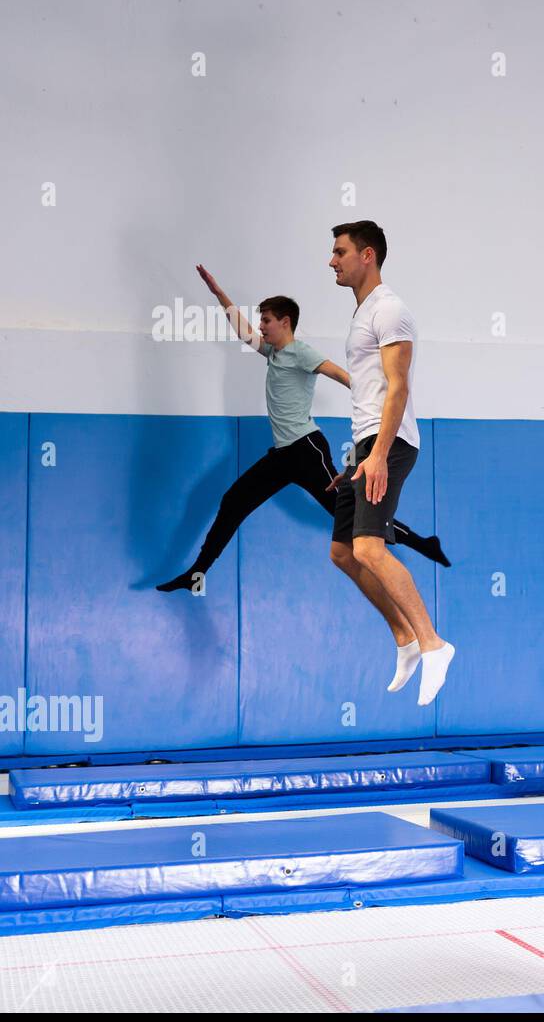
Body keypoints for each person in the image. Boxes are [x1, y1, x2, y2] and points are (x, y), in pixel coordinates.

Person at [158, 267, 449, 608]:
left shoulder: (301, 352)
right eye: (260, 321)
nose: (261, 327)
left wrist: (373, 391)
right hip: (283, 456)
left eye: (266, 320)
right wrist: (219, 295)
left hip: (307, 451)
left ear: (285, 322)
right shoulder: (273, 353)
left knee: (355, 520)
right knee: (233, 501)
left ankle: (423, 543)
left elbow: (339, 373)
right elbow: (244, 333)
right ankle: (197, 575)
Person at [327, 219, 454, 707]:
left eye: (339, 252)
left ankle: (434, 644)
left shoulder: (391, 310)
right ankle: (404, 638)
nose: (331, 261)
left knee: (370, 549)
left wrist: (378, 454)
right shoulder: (362, 315)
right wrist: (357, 457)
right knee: (343, 552)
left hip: (392, 443)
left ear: (368, 255)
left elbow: (398, 388)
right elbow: (367, 388)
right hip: (366, 445)